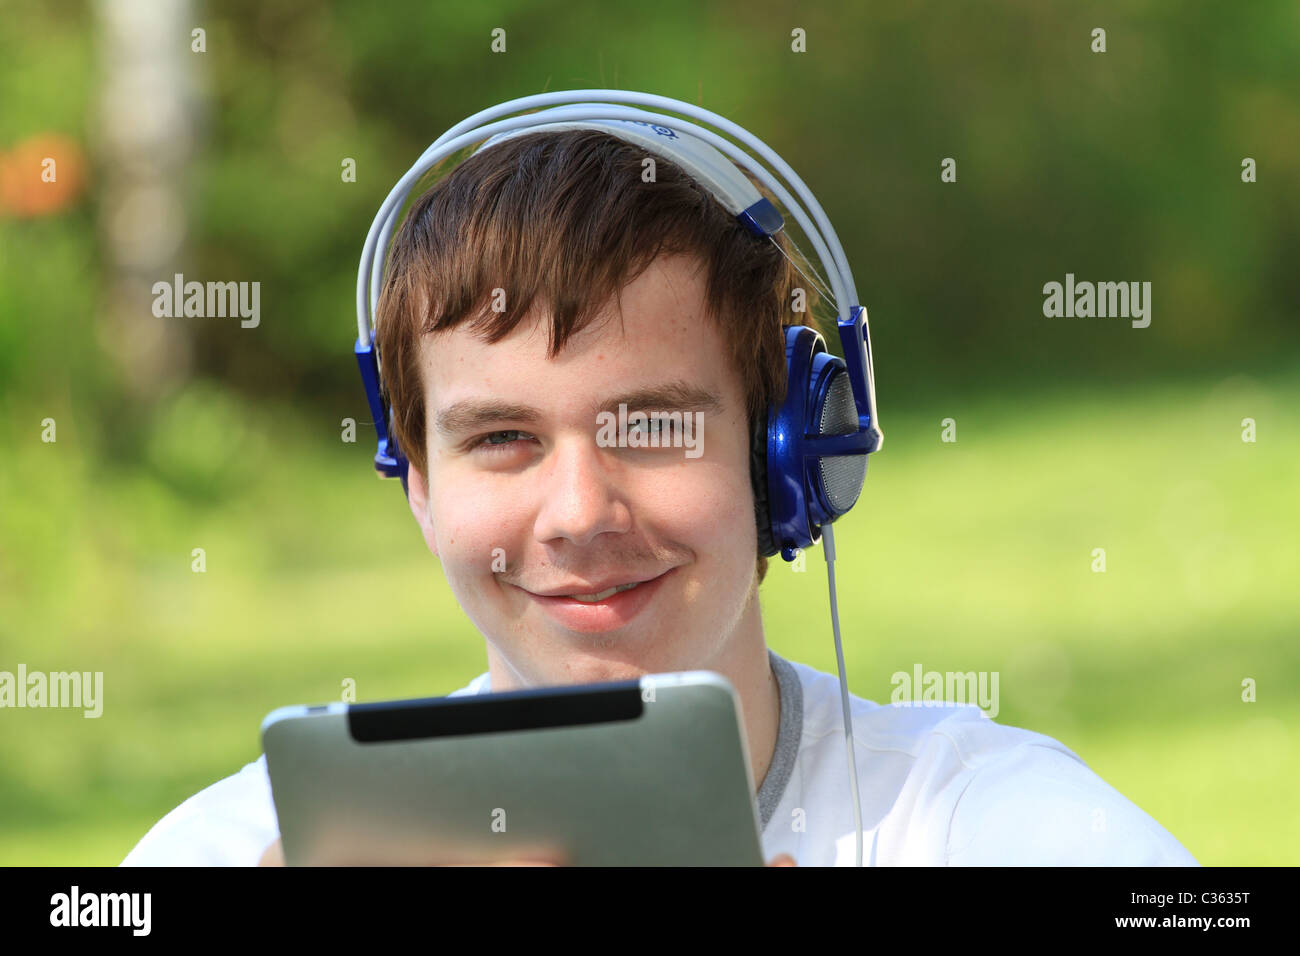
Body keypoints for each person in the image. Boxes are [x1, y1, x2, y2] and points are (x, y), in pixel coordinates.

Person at [122, 128, 1197, 867]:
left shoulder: (992, 824)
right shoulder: (231, 846)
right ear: (416, 478)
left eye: (651, 424)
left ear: (788, 457)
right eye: (500, 437)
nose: (578, 510)